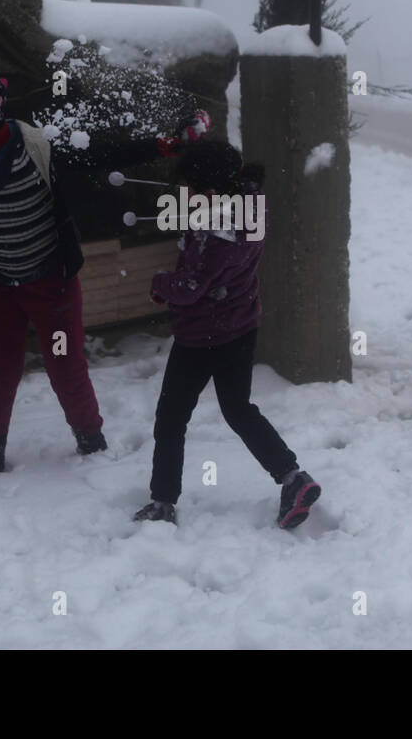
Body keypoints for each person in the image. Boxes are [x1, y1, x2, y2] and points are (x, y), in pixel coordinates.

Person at [0, 60, 208, 472]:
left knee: (66, 367)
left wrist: (162, 145)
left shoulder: (39, 149)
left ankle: (92, 446)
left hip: (49, 284)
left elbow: (101, 152)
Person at [134, 140, 321, 530]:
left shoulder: (220, 228)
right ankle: (293, 477)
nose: (183, 195)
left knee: (171, 418)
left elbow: (191, 285)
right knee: (238, 410)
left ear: (212, 188)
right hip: (238, 327)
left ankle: (163, 502)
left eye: (190, 187)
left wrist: (159, 282)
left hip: (203, 334)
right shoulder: (246, 205)